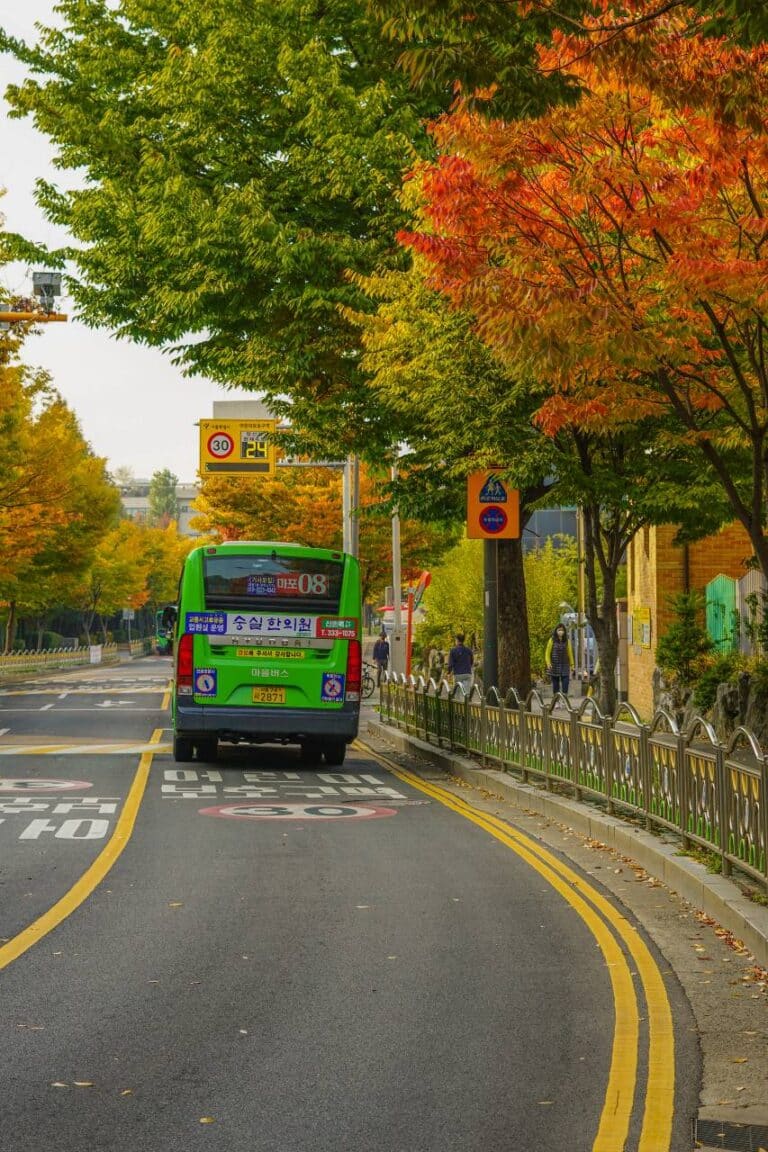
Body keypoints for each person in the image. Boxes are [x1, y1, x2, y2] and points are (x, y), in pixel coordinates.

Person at [545, 623, 575, 697]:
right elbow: (547, 653)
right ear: (556, 631)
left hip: (565, 665)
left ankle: (564, 699)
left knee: (566, 683)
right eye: (559, 630)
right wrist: (548, 663)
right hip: (554, 666)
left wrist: (572, 665)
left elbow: (570, 653)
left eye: (562, 630)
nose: (560, 631)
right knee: (556, 685)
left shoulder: (567, 641)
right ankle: (556, 701)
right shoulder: (551, 640)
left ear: (564, 631)